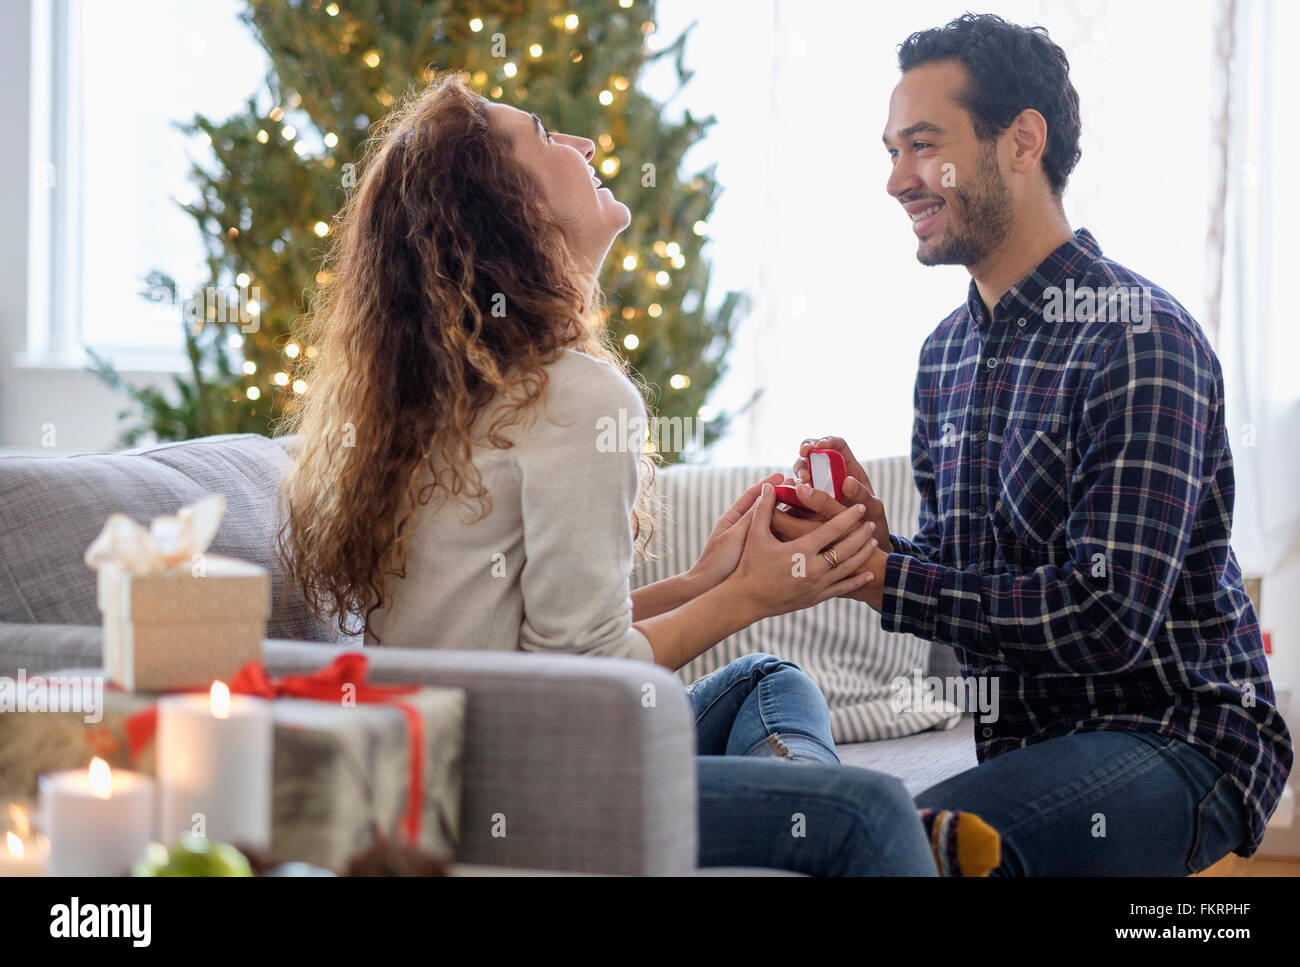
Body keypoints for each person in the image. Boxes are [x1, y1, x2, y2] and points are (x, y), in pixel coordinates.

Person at [277, 73, 949, 875]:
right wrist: (751, 594)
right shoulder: (576, 395)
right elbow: (581, 681)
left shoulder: (446, 396)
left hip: (459, 764)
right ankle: (841, 818)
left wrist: (705, 578)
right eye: (544, 135)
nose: (584, 144)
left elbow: (527, 641)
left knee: (767, 680)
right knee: (867, 814)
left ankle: (798, 795)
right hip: (519, 791)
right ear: (509, 206)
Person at [776, 13, 1293, 875]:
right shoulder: (945, 354)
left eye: (922, 144)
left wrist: (888, 579)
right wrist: (872, 545)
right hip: (1032, 740)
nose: (897, 179)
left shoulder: (1140, 339)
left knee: (892, 843)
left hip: (1181, 731)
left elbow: (1107, 620)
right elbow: (962, 592)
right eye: (890, 150)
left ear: (1022, 141)